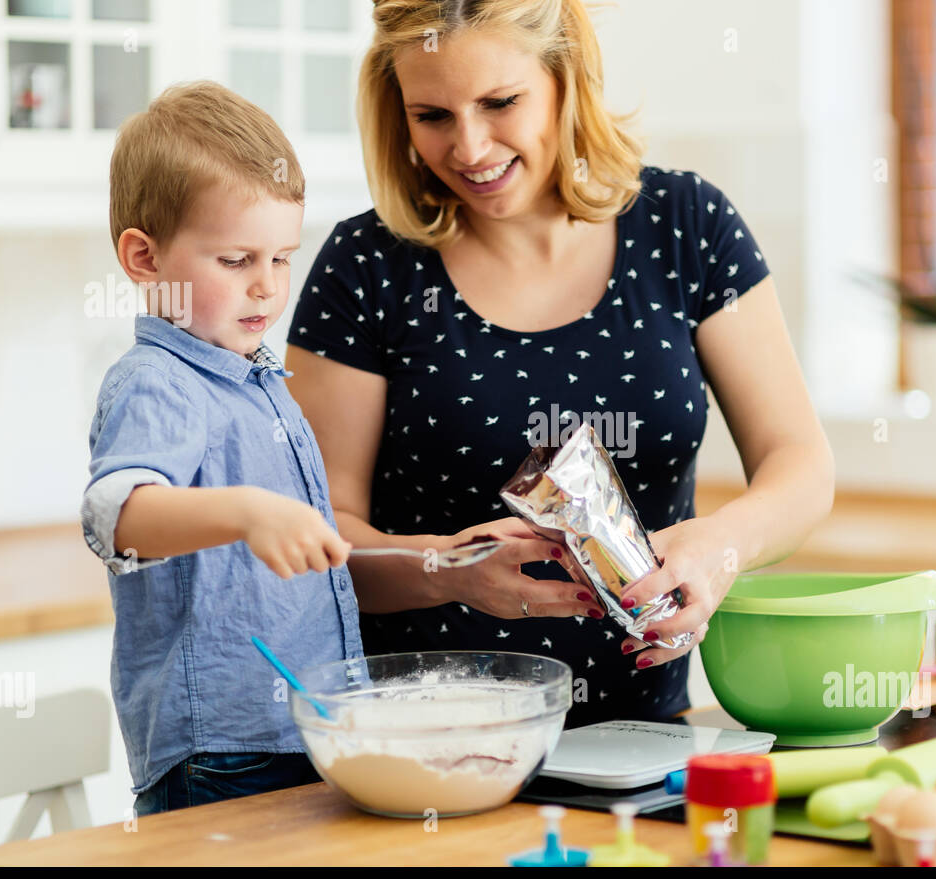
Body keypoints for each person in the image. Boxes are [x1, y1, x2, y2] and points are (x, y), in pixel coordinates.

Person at [285, 0, 835, 728]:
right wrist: (449, 572)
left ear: (565, 77)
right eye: (433, 116)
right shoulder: (366, 266)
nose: (471, 148)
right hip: (423, 747)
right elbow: (320, 541)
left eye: (500, 102)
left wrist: (720, 546)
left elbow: (800, 463)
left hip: (646, 746)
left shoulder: (687, 227)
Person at [80, 82, 361, 816]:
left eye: (281, 258)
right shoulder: (158, 382)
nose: (267, 288)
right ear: (143, 258)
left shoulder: (256, 380)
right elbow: (118, 516)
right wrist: (246, 511)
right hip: (223, 754)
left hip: (296, 734)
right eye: (236, 260)